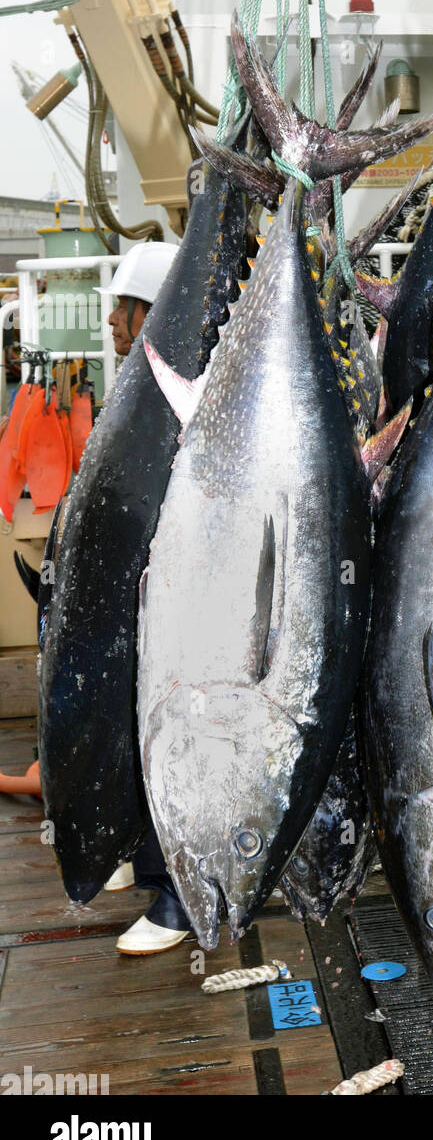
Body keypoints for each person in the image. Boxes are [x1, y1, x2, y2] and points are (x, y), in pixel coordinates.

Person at [96, 240, 194, 955]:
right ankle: (140, 852)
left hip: (178, 602)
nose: (111, 322)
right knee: (133, 727)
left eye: (124, 308)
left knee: (173, 737)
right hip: (137, 595)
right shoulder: (137, 384)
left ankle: (180, 896)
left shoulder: (179, 390)